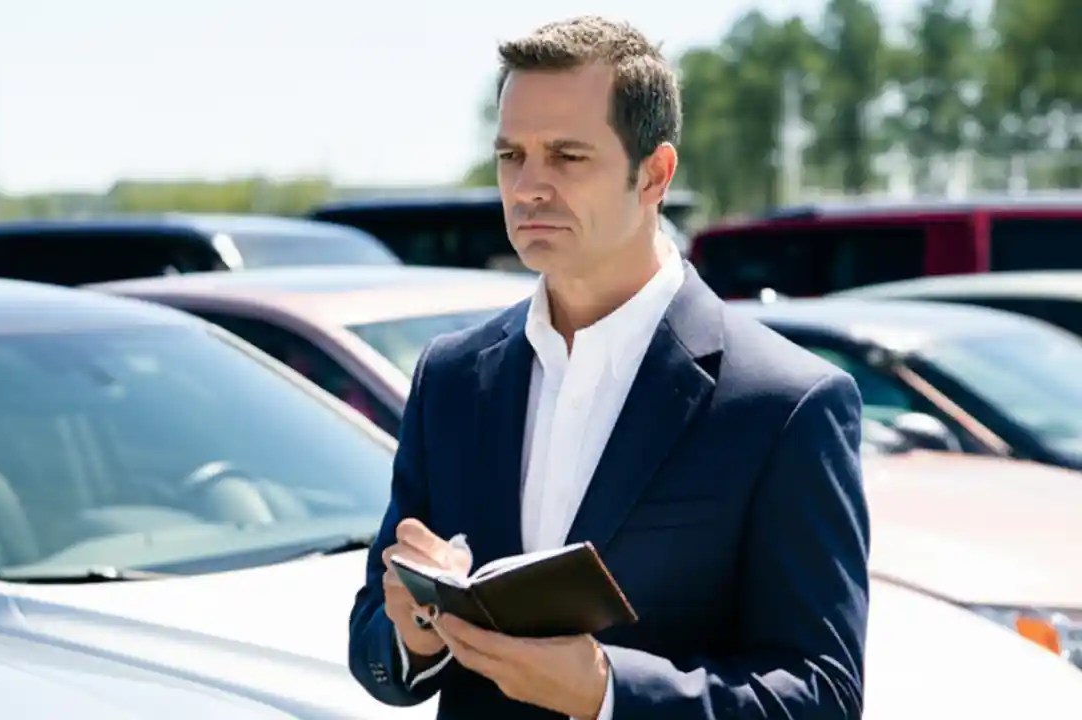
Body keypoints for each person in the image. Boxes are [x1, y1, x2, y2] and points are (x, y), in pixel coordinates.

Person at [348, 15, 869, 720]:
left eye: (567, 157)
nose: (529, 186)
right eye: (511, 156)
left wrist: (608, 693)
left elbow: (823, 695)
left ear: (653, 174)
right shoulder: (453, 377)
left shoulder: (787, 403)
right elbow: (374, 652)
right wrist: (414, 632)